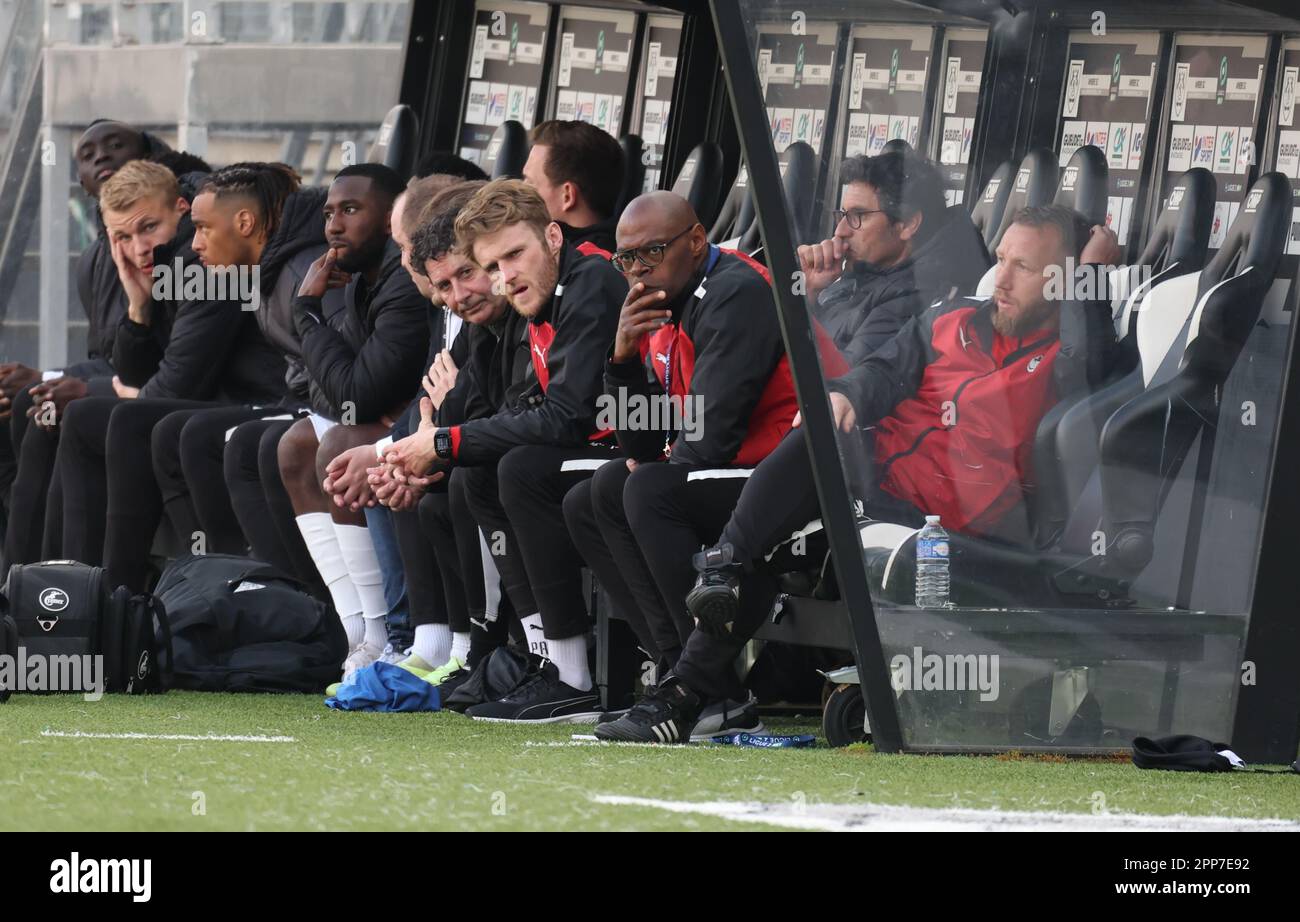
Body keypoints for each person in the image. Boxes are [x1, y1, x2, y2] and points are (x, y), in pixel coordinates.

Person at [613, 204, 1122, 743]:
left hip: (945, 528)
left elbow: (1092, 364)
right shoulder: (952, 320)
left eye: (1025, 267)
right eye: (1001, 259)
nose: (1001, 278)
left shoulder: (1071, 356)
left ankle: (703, 647)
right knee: (805, 436)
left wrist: (1092, 273)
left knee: (746, 509)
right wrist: (845, 394)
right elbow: (880, 369)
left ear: (1066, 282)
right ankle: (707, 647)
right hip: (869, 483)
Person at [555, 191, 844, 742]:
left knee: (647, 491)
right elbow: (642, 442)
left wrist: (654, 465)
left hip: (802, 479)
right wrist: (622, 357)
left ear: (695, 241)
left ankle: (700, 691)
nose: (638, 270)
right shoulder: (665, 304)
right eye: (625, 258)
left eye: (652, 252)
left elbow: (708, 441)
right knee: (594, 496)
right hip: (741, 468)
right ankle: (690, 680)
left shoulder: (736, 292)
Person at [380, 178, 624, 722]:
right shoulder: (525, 299)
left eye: (512, 256)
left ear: (553, 237)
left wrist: (442, 442)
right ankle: (523, 655)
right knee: (470, 477)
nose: (501, 277)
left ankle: (562, 670)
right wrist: (421, 452)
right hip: (593, 449)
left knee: (513, 470)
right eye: (492, 266)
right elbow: (497, 410)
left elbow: (563, 416)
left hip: (643, 449)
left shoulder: (586, 281)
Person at [0, 120, 207, 568]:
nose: (139, 248)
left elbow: (171, 382)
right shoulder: (102, 257)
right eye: (124, 237)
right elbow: (117, 360)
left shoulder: (199, 263)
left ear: (181, 208)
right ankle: (31, 581)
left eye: (149, 227)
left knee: (81, 415)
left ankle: (81, 590)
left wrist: (79, 385)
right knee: (40, 408)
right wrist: (138, 306)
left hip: (230, 404)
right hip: (167, 394)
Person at [523, 120, 624, 252]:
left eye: (530, 184)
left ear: (567, 196)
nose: (520, 192)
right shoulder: (615, 251)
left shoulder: (565, 260)